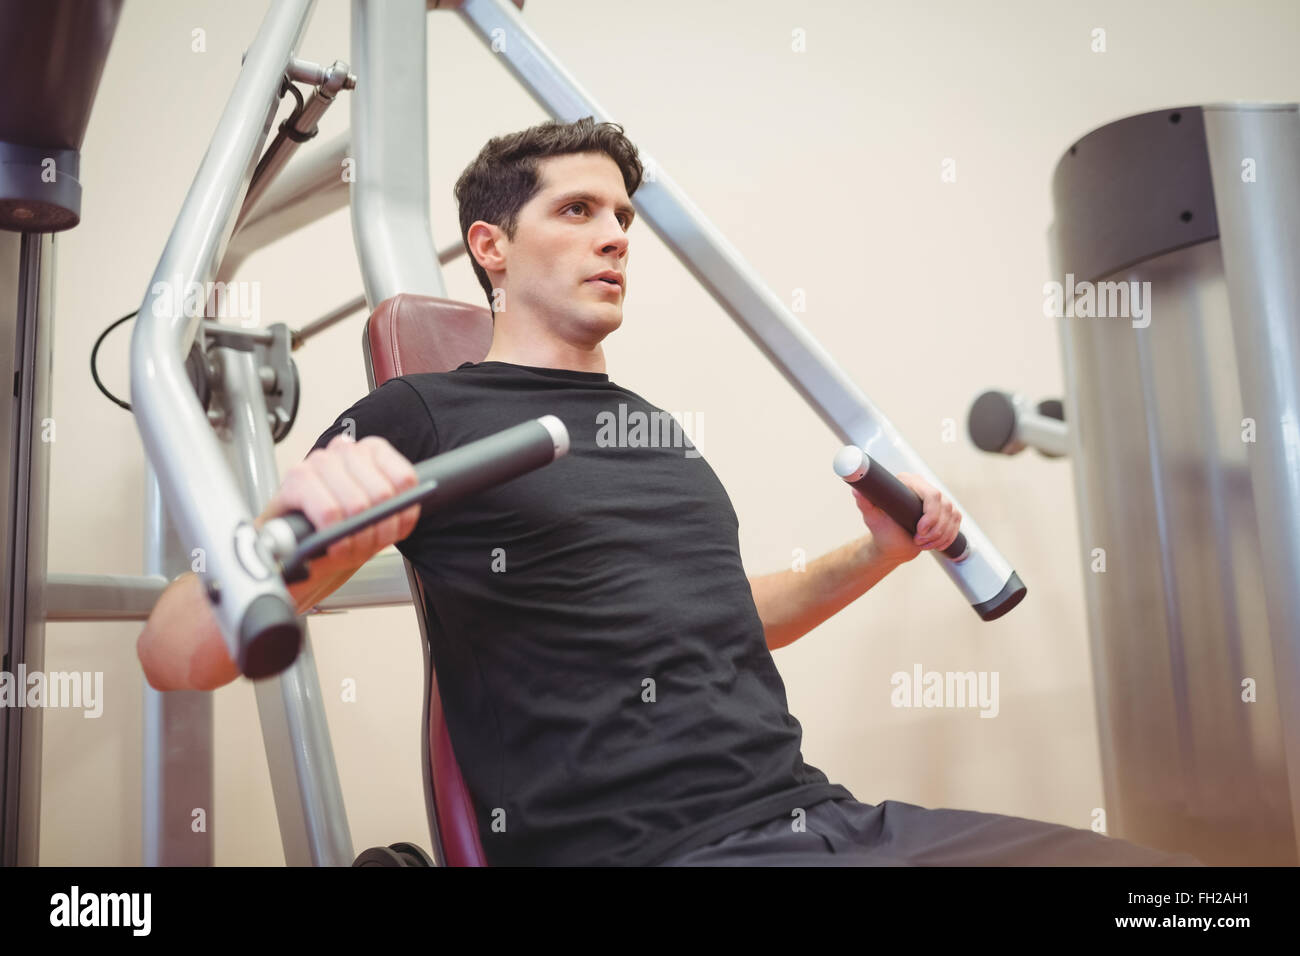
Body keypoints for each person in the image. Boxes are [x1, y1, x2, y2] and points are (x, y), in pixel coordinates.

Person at [137, 117, 1201, 867]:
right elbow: (178, 650)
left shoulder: (656, 430)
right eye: (579, 209)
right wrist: (293, 522)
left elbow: (725, 618)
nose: (615, 234)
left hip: (826, 820)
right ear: (491, 246)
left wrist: (875, 552)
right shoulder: (424, 415)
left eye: (624, 216)